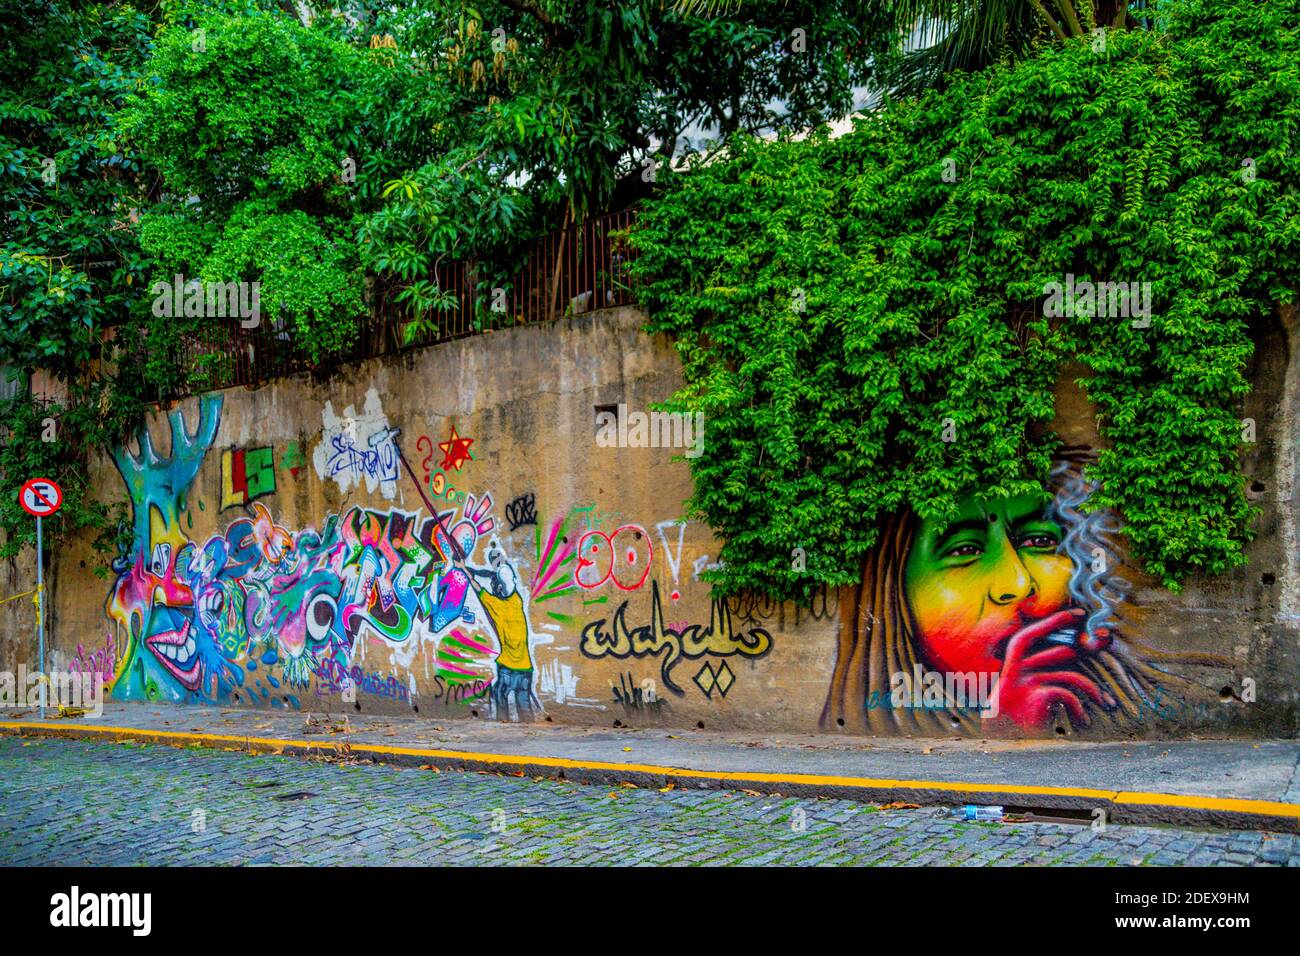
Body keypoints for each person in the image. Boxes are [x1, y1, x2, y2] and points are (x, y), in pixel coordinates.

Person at [466, 538, 540, 720]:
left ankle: (502, 721)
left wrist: (467, 571)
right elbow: (503, 580)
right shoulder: (517, 601)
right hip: (526, 669)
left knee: (499, 693)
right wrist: (498, 565)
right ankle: (528, 725)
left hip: (507, 666)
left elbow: (477, 587)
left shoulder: (496, 605)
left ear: (498, 588)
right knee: (523, 701)